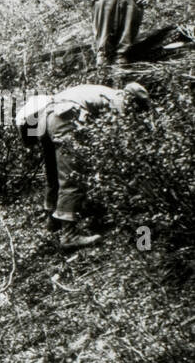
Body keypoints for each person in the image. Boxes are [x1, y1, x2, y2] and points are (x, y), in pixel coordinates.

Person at [15, 81, 149, 250]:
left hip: (46, 119)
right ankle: (69, 235)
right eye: (137, 109)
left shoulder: (102, 91)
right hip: (64, 117)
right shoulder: (119, 99)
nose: (134, 113)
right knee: (72, 175)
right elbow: (119, 142)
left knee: (54, 172)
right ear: (132, 99)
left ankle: (52, 221)